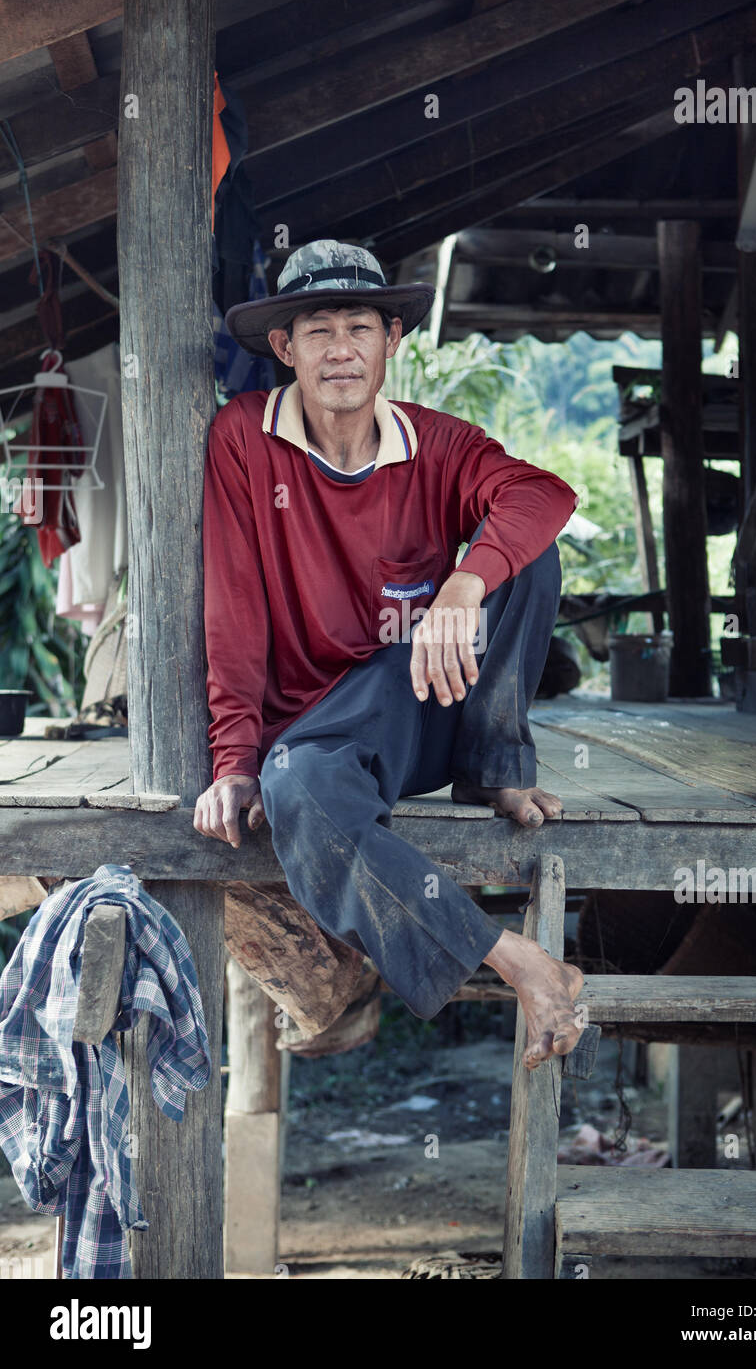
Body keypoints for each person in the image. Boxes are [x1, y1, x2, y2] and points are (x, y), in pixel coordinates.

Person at [194, 239, 585, 1069]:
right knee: (294, 785)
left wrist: (463, 584)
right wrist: (234, 759)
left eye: (361, 327)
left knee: (527, 547)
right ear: (284, 348)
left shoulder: (440, 444)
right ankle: (512, 957)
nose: (341, 349)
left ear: (393, 341)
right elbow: (232, 607)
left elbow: (547, 496)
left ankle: (495, 766)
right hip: (319, 735)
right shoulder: (243, 439)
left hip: (422, 703)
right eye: (319, 329)